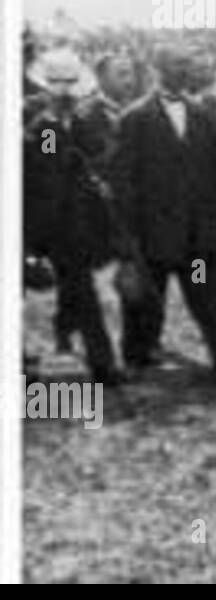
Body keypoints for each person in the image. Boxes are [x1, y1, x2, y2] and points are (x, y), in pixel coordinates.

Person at [110, 43, 216, 379]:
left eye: (187, 65)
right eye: (176, 64)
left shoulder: (203, 115)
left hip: (197, 235)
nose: (184, 71)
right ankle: (136, 356)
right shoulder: (135, 118)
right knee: (146, 299)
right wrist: (127, 237)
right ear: (159, 69)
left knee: (205, 294)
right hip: (154, 233)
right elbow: (123, 181)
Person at [24, 48, 125, 385]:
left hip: (75, 223)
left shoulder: (78, 122)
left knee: (79, 290)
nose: (65, 93)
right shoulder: (46, 129)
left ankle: (86, 353)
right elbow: (49, 175)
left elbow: (97, 154)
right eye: (58, 85)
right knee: (76, 290)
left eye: (70, 85)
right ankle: (97, 362)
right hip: (47, 224)